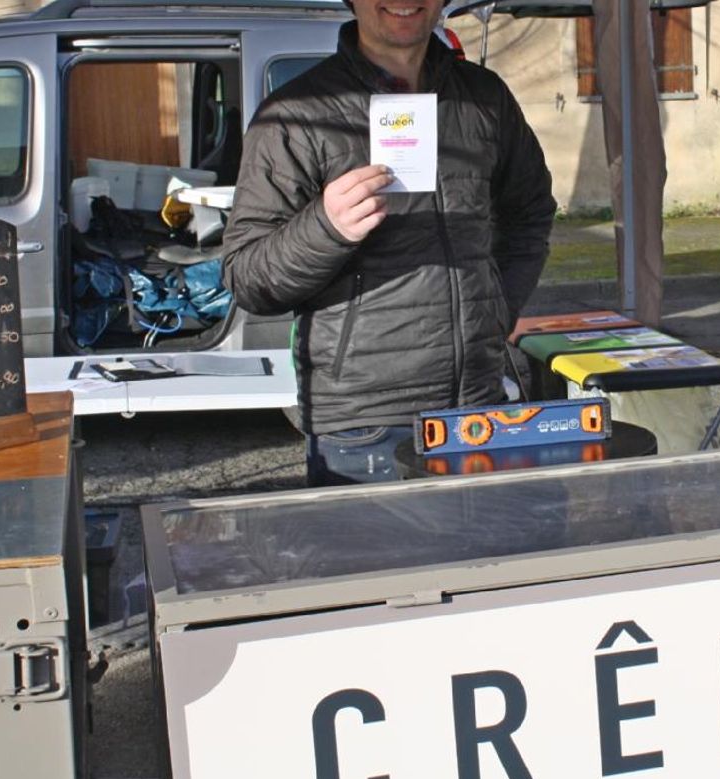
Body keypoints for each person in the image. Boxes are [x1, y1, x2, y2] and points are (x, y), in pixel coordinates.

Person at [221, 0, 556, 486]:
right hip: (363, 426)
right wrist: (325, 228)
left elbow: (530, 214)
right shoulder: (297, 114)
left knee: (482, 563)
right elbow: (247, 278)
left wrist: (496, 309)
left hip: (478, 410)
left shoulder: (484, 97)